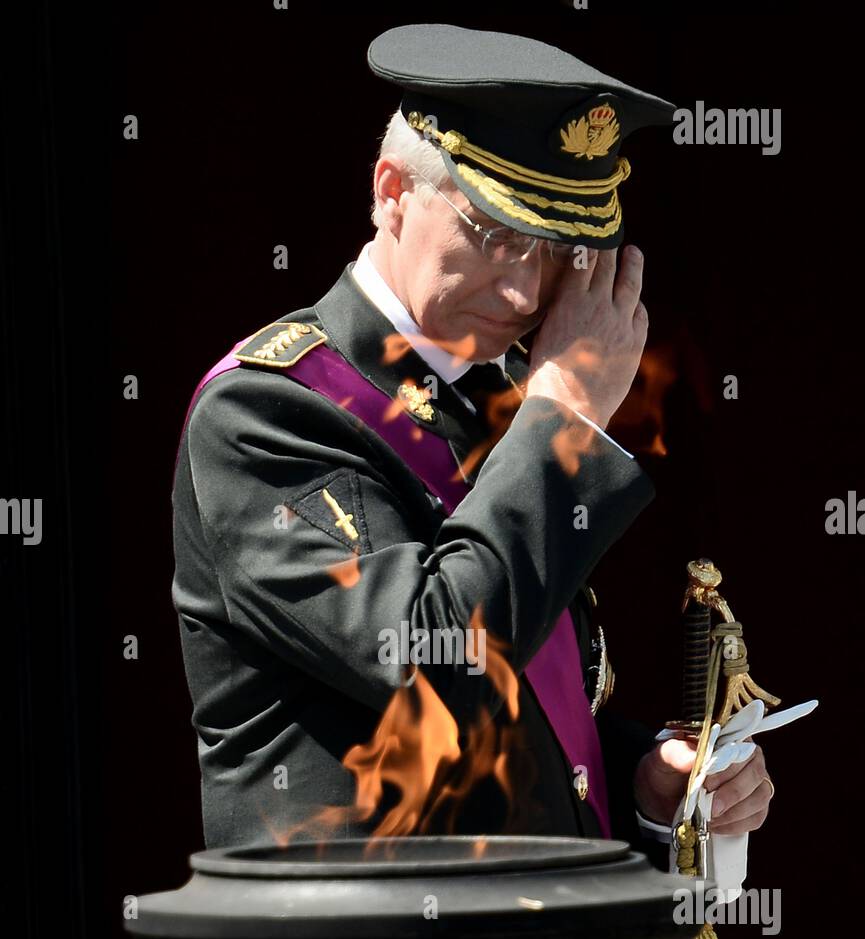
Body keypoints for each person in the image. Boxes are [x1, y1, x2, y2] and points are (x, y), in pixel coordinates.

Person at [171, 22, 772, 854]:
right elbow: (436, 658)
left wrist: (639, 774)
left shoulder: (500, 397)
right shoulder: (267, 411)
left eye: (559, 248)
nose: (527, 290)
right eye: (496, 236)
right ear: (390, 191)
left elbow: (523, 698)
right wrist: (563, 414)